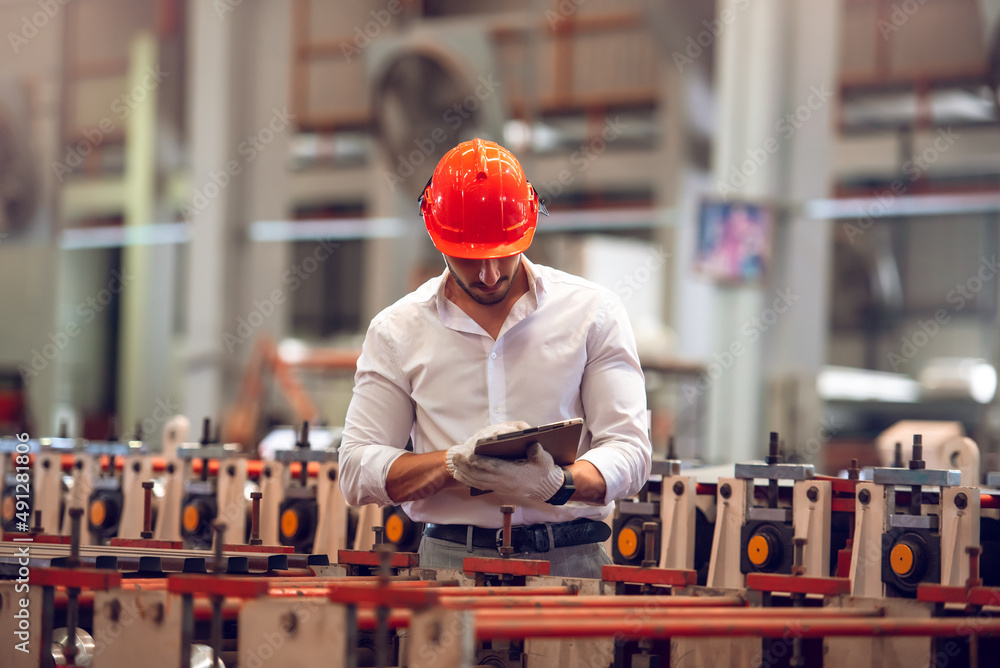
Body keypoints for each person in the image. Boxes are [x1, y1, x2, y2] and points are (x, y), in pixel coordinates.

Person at [339, 138, 651, 578]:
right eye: (468, 259)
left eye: (503, 254)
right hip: (449, 567)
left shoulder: (592, 313)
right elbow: (355, 468)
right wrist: (453, 466)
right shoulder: (397, 331)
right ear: (437, 238)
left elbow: (631, 451)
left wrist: (557, 485)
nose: (488, 275)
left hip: (570, 563)